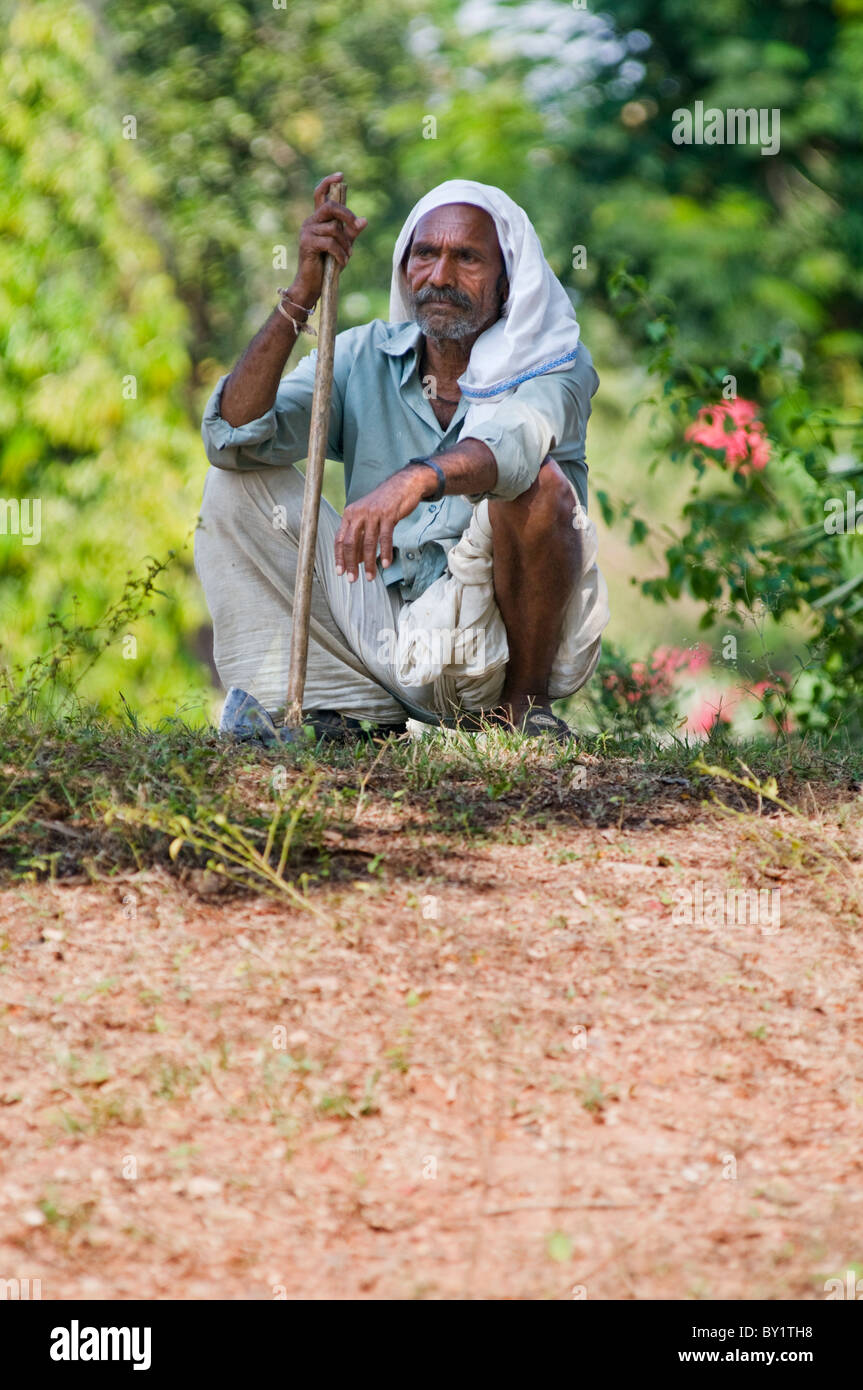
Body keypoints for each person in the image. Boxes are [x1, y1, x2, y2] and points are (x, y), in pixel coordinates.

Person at [195, 173, 609, 744]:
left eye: (467, 258)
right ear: (404, 266)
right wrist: (302, 293)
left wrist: (418, 479)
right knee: (235, 485)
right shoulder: (364, 354)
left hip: (494, 644)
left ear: (507, 279)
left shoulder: (554, 364)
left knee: (537, 486)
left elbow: (512, 448)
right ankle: (340, 709)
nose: (440, 276)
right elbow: (232, 435)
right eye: (425, 254)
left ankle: (525, 717)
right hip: (382, 633)